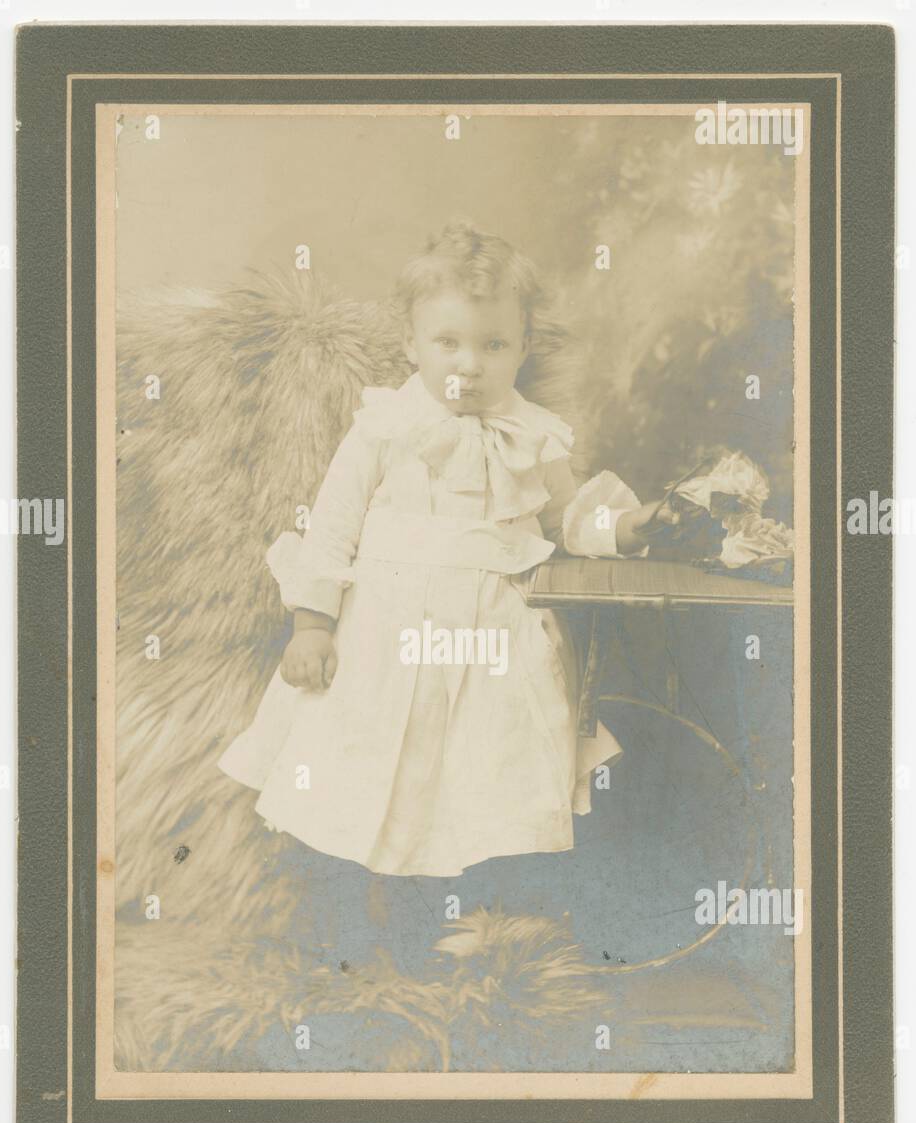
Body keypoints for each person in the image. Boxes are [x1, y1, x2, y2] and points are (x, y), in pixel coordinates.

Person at [219, 222, 679, 876]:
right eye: (448, 343)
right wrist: (312, 626)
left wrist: (627, 526)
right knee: (368, 765)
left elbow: (569, 514)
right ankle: (362, 914)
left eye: (493, 345)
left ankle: (481, 909)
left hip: (497, 630)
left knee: (487, 769)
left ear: (522, 347)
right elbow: (331, 528)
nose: (469, 364)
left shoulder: (533, 432)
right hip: (386, 631)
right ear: (411, 345)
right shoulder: (386, 425)